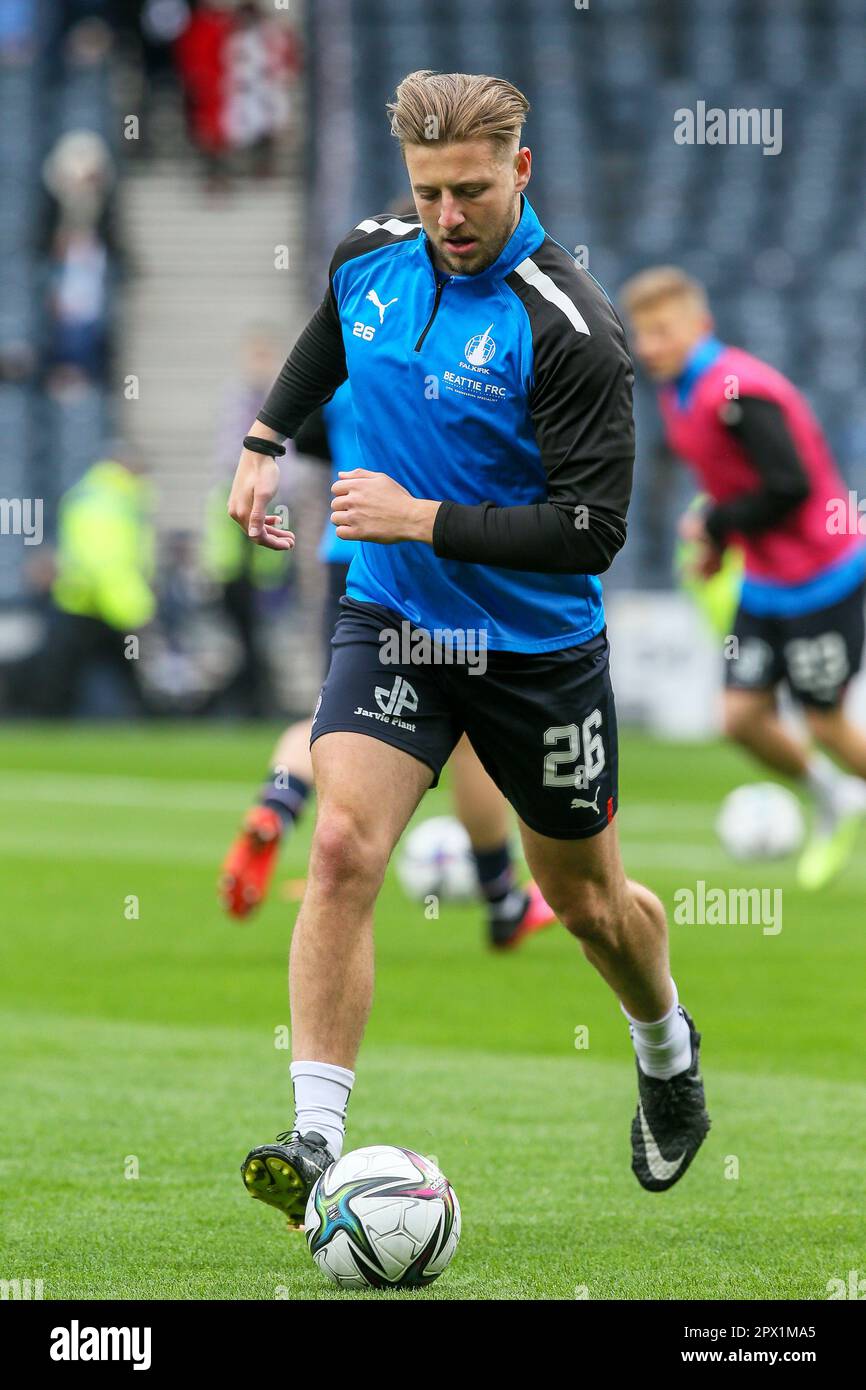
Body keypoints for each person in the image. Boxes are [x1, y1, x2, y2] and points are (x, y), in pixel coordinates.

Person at [228, 71, 710, 1227]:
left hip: (535, 651)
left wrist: (419, 517)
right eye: (430, 191)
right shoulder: (375, 254)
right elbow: (329, 336)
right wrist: (262, 441)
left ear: (521, 172)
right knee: (342, 842)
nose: (449, 216)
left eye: (472, 191)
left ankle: (663, 1047)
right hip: (395, 617)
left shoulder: (571, 325)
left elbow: (591, 530)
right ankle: (314, 1133)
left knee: (588, 903)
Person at [219, 381, 556, 949]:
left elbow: (320, 444)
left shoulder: (349, 349)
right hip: (432, 554)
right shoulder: (442, 349)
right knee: (473, 734)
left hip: (347, 556)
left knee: (336, 716)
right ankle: (501, 897)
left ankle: (277, 806)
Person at [621, 266, 866, 889]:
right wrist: (719, 538)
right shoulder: (677, 389)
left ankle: (840, 789)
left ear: (700, 326)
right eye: (642, 333)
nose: (650, 345)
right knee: (740, 715)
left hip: (822, 578)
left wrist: (716, 525)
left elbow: (790, 485)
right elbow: (734, 486)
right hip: (764, 582)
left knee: (826, 722)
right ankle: (833, 796)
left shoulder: (735, 391)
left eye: (663, 330)